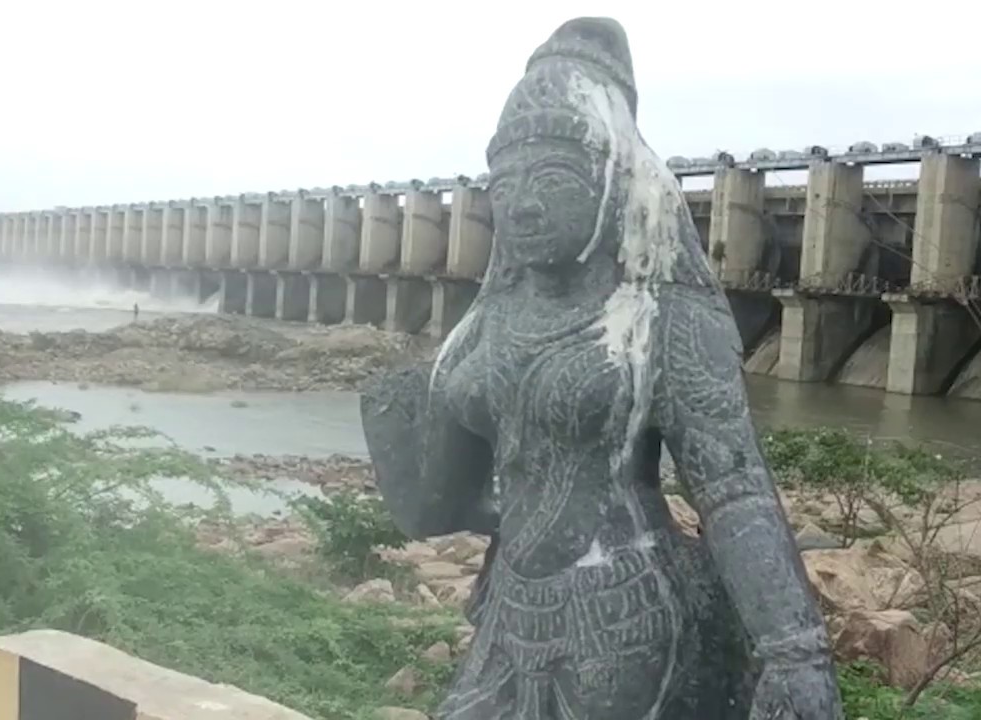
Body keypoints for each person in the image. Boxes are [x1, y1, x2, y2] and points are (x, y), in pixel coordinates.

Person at [359, 16, 841, 720]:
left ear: (612, 179)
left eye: (551, 177)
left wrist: (795, 651)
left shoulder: (663, 316)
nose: (520, 204)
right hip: (509, 610)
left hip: (626, 614)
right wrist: (407, 449)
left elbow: (733, 487)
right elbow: (451, 500)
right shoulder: (491, 320)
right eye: (504, 181)